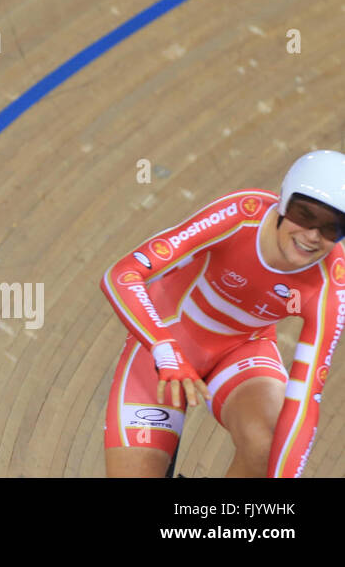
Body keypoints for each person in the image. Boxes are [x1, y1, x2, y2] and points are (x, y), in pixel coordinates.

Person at [101, 150, 345, 477]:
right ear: (284, 203)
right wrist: (164, 349)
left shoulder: (333, 281)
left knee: (269, 448)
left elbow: (303, 404)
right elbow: (122, 275)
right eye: (304, 215)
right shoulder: (241, 215)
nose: (313, 235)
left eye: (332, 228)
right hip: (166, 343)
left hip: (243, 350)